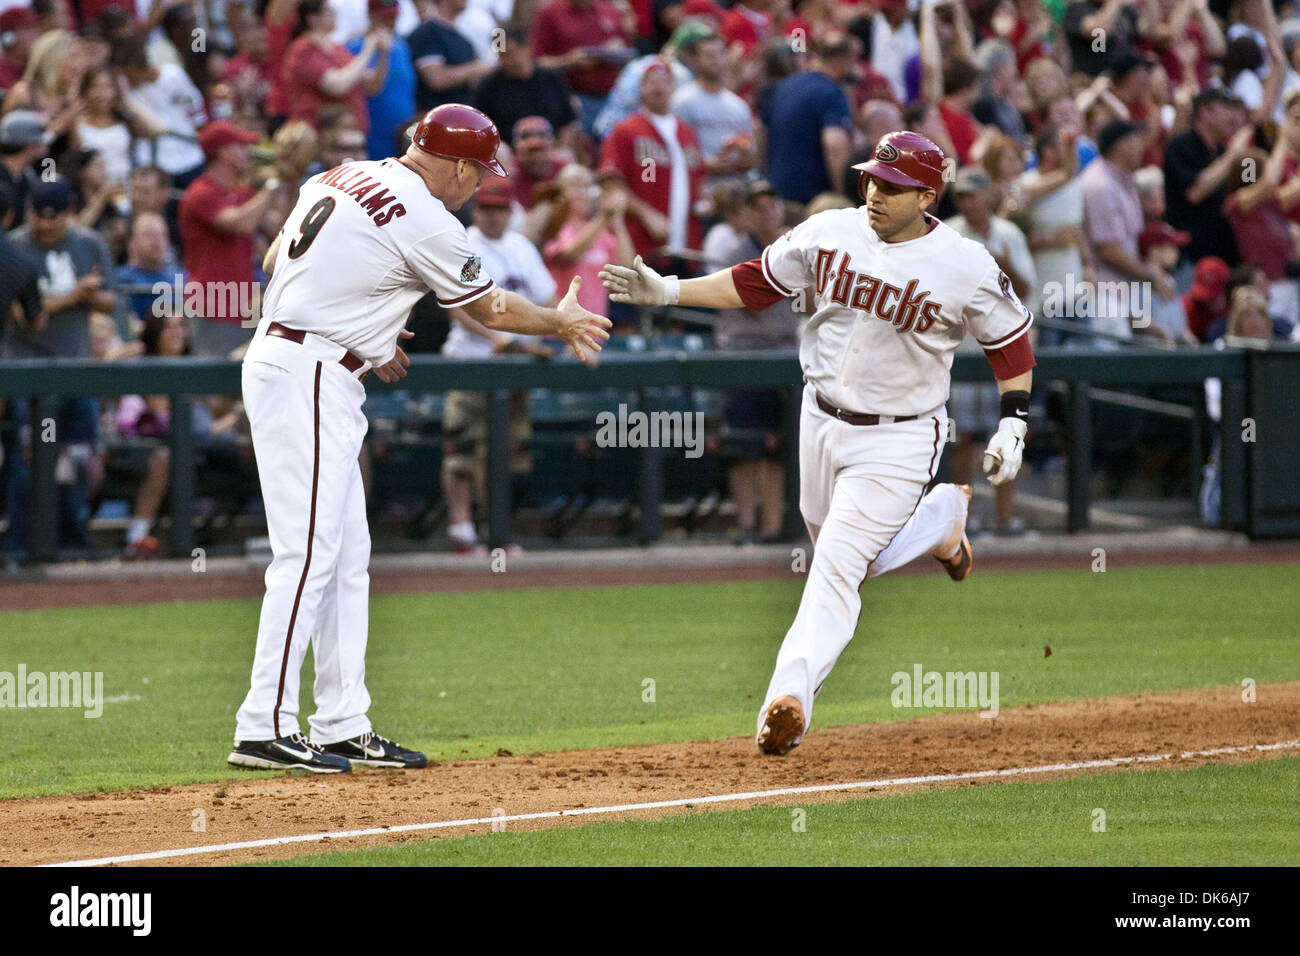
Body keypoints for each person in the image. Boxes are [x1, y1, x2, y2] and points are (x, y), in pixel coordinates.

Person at [601, 130, 1035, 755]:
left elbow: (1011, 343)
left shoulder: (963, 263)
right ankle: (942, 518)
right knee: (841, 553)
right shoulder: (831, 230)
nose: (875, 192)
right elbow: (756, 282)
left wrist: (1014, 421)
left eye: (892, 186)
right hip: (819, 417)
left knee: (834, 566)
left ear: (929, 194)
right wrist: (669, 290)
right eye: (871, 179)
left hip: (902, 435)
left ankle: (789, 701)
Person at [229, 104, 610, 773]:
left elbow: (270, 260)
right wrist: (558, 320)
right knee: (308, 553)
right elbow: (488, 308)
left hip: (303, 358)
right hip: (308, 371)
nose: (479, 184)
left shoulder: (339, 174)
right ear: (460, 165)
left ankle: (343, 722)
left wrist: (364, 325)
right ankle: (263, 724)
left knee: (346, 556)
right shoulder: (428, 214)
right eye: (479, 172)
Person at [441, 177, 559, 554]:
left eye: (500, 209)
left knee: (505, 454)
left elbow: (548, 298)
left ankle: (497, 531)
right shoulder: (465, 244)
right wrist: (498, 339)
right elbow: (458, 308)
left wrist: (561, 328)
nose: (493, 216)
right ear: (477, 210)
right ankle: (461, 529)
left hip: (517, 369)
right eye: (487, 208)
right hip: (470, 362)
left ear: (510, 212)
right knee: (461, 451)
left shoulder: (521, 246)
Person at [4, 178, 117, 558]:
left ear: (68, 214)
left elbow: (110, 301)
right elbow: (22, 315)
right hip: (27, 371)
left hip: (76, 368)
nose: (46, 225)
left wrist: (87, 296)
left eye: (55, 217)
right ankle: (22, 542)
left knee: (76, 461)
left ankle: (74, 540)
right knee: (28, 460)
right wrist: (75, 295)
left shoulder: (88, 243)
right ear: (29, 212)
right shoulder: (15, 248)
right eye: (40, 216)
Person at [712, 180, 797, 545]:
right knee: (744, 446)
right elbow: (752, 299)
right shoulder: (736, 252)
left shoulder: (793, 249)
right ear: (745, 214)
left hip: (785, 357)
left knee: (779, 447)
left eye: (772, 205)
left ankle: (773, 526)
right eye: (757, 206)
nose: (767, 212)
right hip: (744, 356)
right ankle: (746, 524)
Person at [177, 120, 283, 357]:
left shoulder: (242, 193)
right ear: (224, 153)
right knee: (216, 384)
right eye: (242, 146)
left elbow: (278, 228)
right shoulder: (201, 192)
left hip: (244, 305)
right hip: (213, 304)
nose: (249, 152)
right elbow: (240, 223)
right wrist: (273, 185)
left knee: (241, 385)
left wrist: (289, 180)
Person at [598, 59, 705, 267]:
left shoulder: (687, 133)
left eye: (664, 81)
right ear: (641, 88)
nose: (659, 87)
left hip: (686, 247)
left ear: (674, 87)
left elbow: (700, 180)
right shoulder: (626, 130)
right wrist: (646, 213)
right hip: (643, 246)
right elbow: (612, 183)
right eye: (652, 81)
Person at [761, 34, 854, 205]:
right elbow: (834, 144)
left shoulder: (785, 86)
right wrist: (842, 196)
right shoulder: (831, 92)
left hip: (778, 196)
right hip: (813, 199)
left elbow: (760, 133)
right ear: (843, 60)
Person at [283, 0, 392, 133]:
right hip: (320, 134)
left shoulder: (336, 48)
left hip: (350, 132)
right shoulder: (303, 50)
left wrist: (383, 53)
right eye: (328, 10)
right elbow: (337, 86)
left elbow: (371, 86)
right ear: (313, 19)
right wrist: (368, 50)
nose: (334, 14)